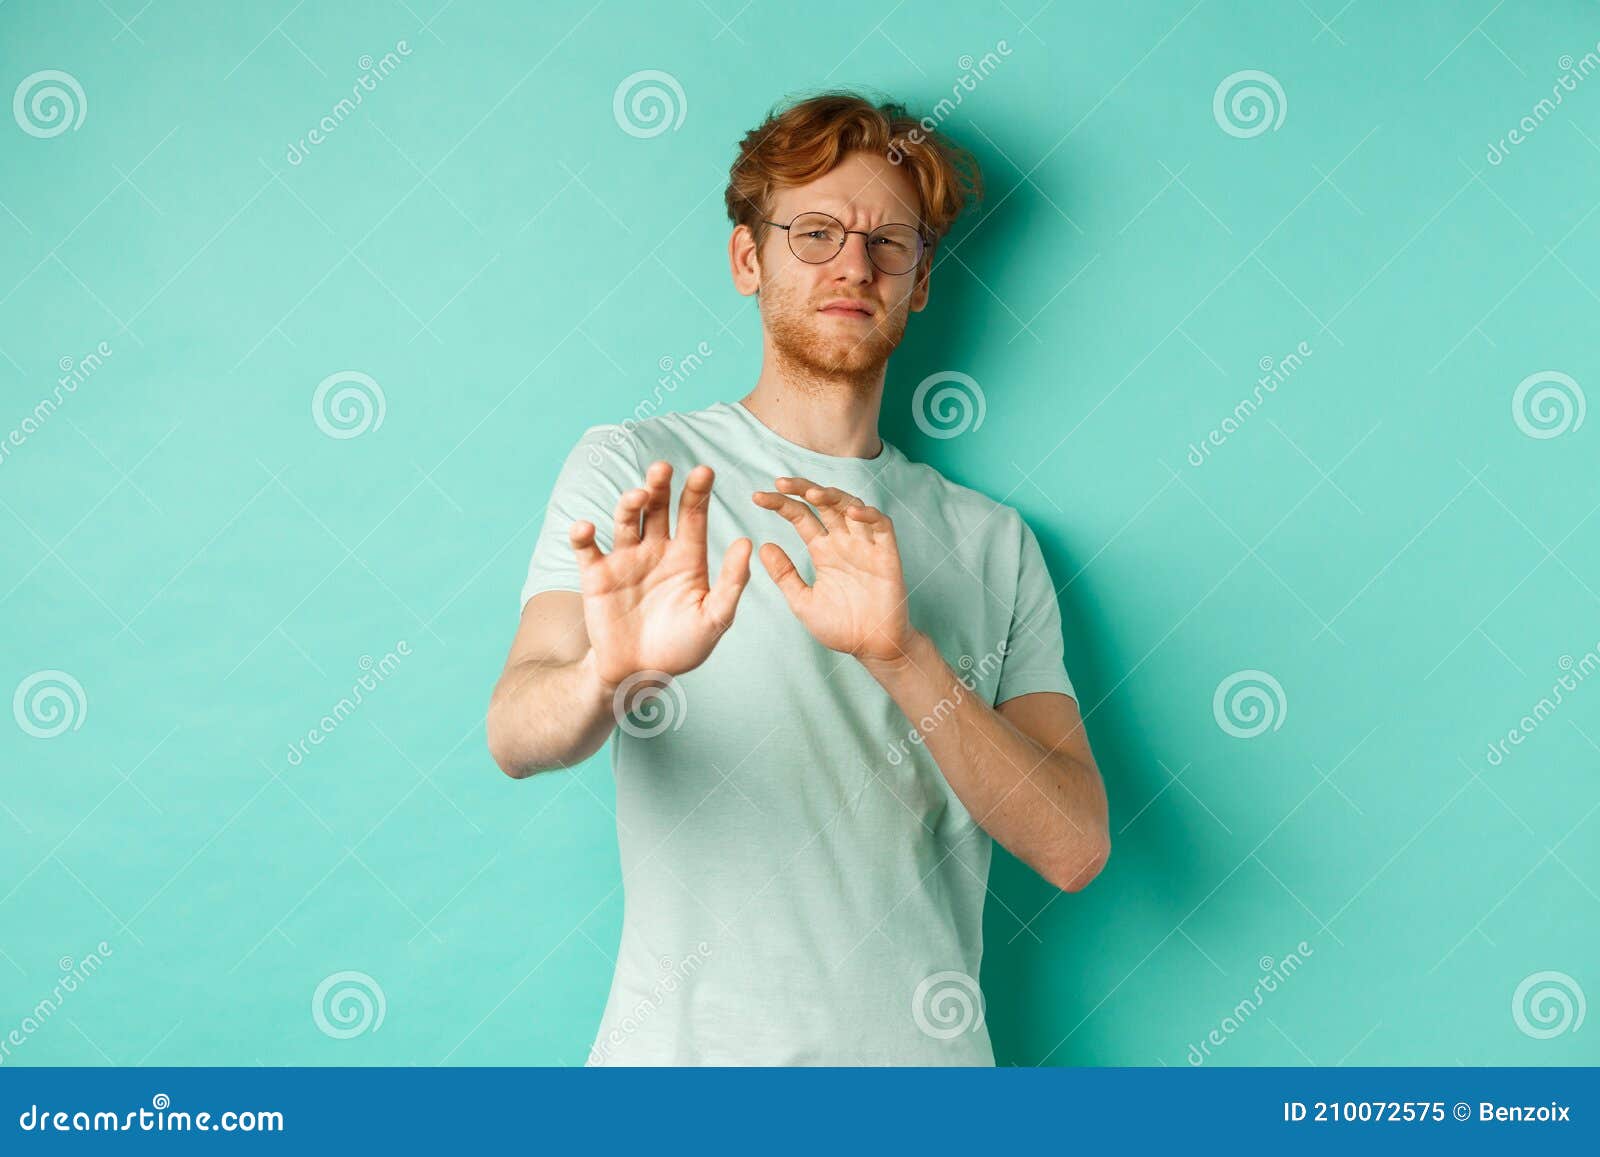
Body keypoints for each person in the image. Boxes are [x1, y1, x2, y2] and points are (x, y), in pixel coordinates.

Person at [487, 90, 1110, 1065]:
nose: (853, 265)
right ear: (749, 259)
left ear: (920, 281)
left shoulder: (994, 540)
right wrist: (605, 669)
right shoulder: (639, 470)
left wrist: (903, 658)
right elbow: (515, 735)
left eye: (887, 243)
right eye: (814, 233)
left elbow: (1073, 847)